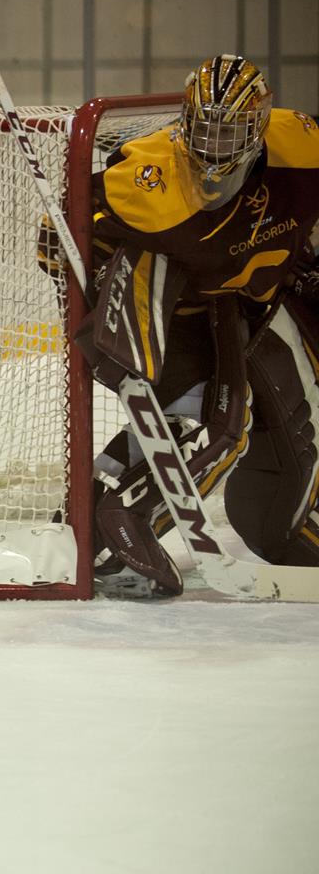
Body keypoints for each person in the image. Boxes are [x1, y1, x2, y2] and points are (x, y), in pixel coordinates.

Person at [66, 54, 319, 596]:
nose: (215, 146)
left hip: (235, 309)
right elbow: (62, 229)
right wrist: (92, 269)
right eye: (205, 129)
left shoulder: (301, 143)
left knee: (230, 424)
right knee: (211, 425)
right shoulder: (148, 175)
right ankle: (117, 515)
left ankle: (100, 508)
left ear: (260, 124)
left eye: (231, 132)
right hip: (172, 316)